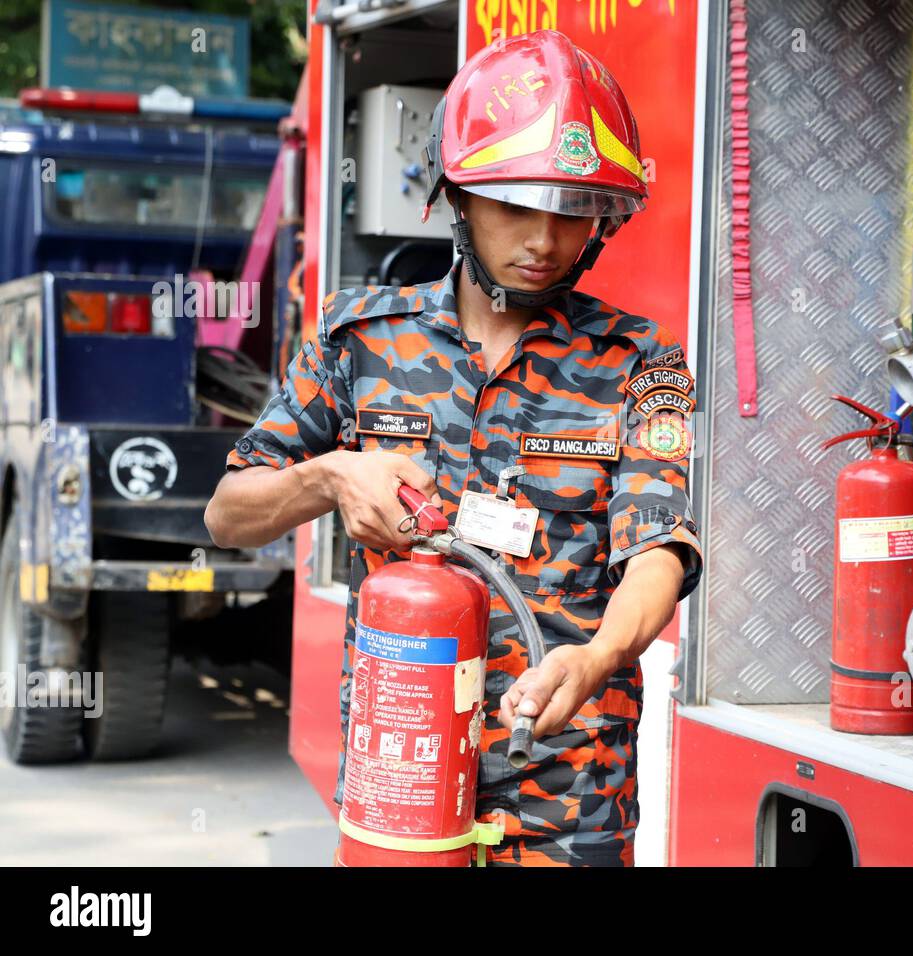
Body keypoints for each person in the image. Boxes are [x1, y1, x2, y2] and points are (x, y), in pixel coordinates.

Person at [204, 29, 702, 867]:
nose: (545, 239)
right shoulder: (357, 339)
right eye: (517, 207)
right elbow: (227, 515)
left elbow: (657, 546)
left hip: (569, 789)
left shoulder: (643, 364)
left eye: (572, 212)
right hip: (403, 774)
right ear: (458, 197)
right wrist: (331, 475)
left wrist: (602, 656)